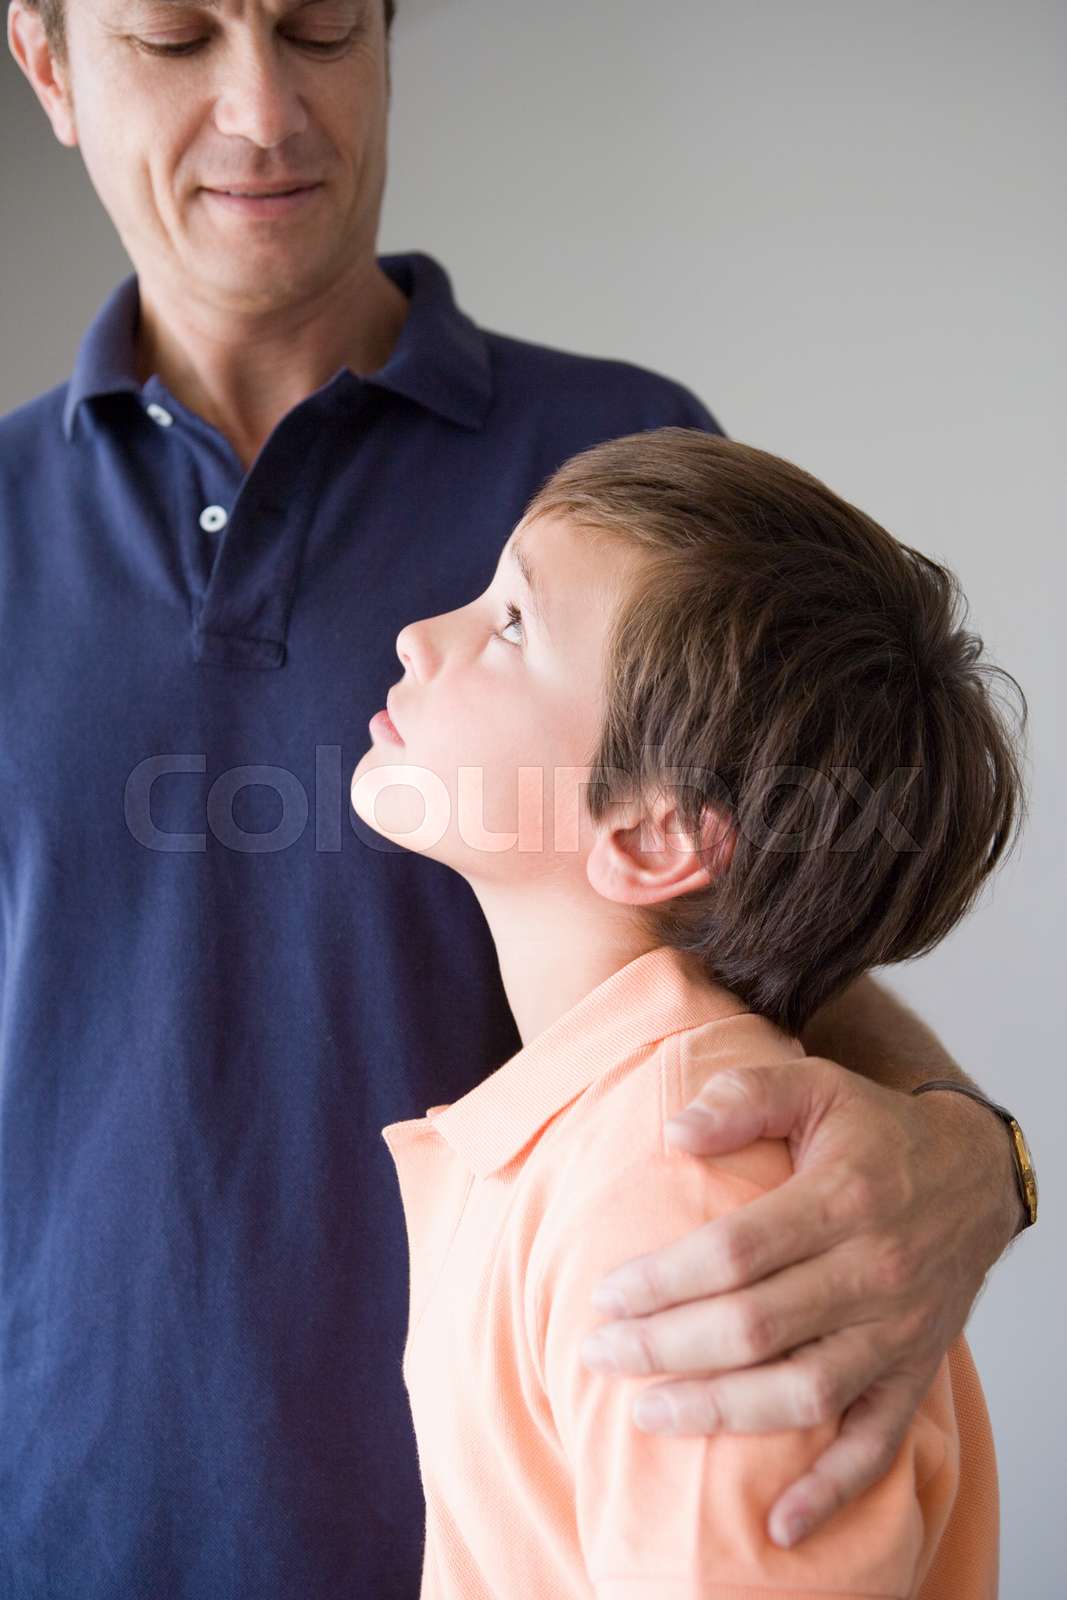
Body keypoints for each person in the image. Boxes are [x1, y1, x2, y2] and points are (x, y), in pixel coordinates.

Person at [2, 0, 1033, 1594]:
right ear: (51, 65)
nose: (265, 110)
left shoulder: (616, 469)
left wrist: (975, 1154)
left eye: (322, 29)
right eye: (175, 37)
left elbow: (755, 932)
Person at [360, 425, 1025, 1596]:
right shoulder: (588, 1145)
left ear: (655, 834)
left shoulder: (676, 1198)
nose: (420, 634)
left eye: (511, 623)